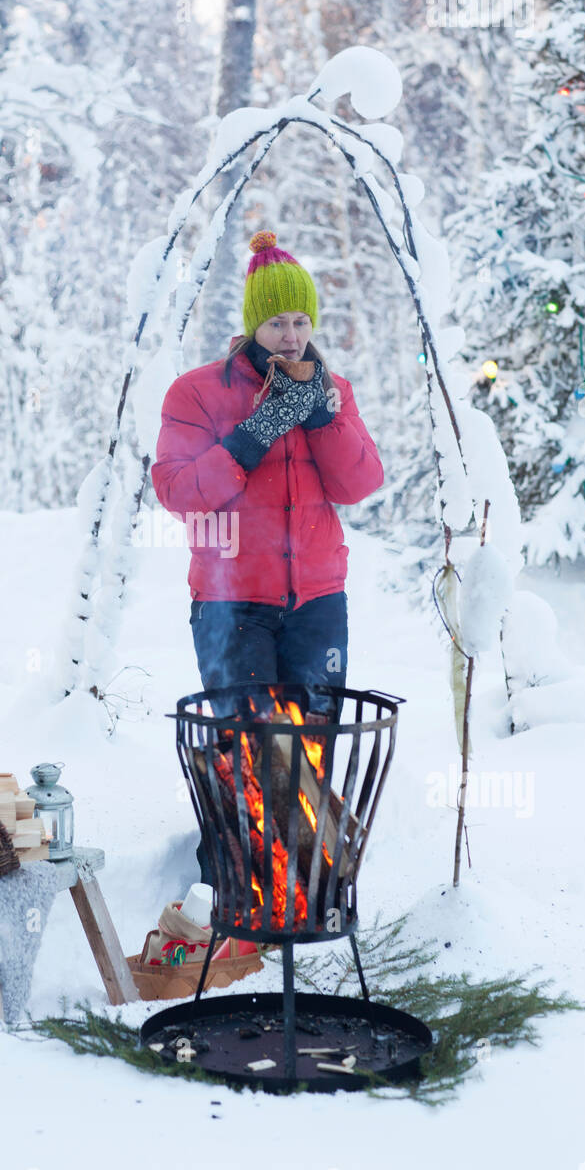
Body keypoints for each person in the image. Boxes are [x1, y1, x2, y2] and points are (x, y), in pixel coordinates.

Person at [152, 229, 384, 882]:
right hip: (233, 607)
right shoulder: (196, 393)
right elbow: (179, 492)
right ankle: (235, 884)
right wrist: (258, 430)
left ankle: (304, 884)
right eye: (278, 320)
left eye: (302, 320)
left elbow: (360, 484)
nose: (291, 334)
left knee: (311, 745)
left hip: (317, 601)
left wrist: (322, 418)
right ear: (254, 323)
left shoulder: (329, 390)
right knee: (245, 750)